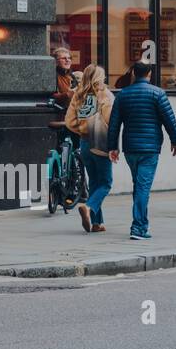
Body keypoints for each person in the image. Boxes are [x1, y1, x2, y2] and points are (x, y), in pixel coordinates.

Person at [107, 61, 176, 240]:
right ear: (148, 74)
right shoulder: (158, 93)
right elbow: (169, 120)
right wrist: (175, 141)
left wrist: (112, 147)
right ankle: (138, 228)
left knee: (138, 186)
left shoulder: (123, 94)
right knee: (143, 187)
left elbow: (114, 123)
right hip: (150, 148)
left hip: (130, 148)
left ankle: (141, 222)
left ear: (133, 73)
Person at [65, 64, 115, 233]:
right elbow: (110, 122)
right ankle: (88, 207)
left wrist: (82, 130)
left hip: (85, 142)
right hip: (100, 141)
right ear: (99, 78)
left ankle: (96, 223)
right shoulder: (105, 95)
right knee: (106, 183)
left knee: (94, 182)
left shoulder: (78, 95)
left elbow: (69, 122)